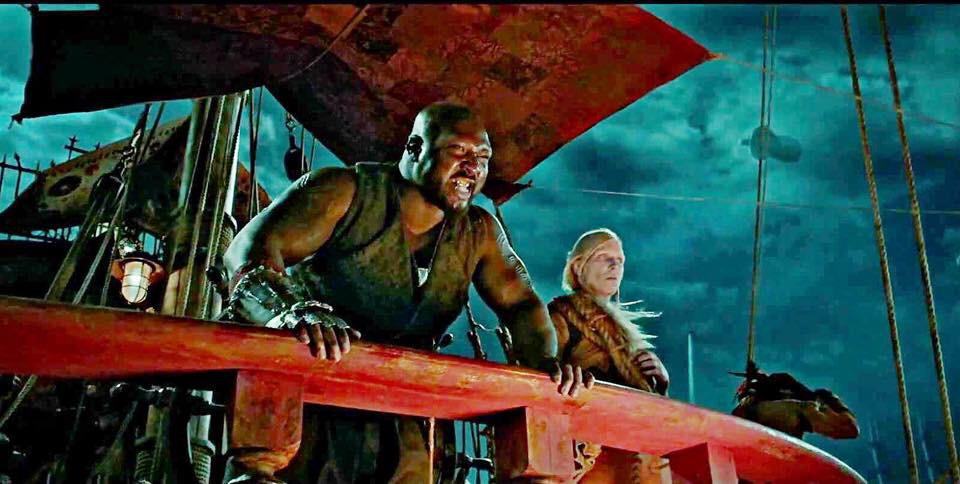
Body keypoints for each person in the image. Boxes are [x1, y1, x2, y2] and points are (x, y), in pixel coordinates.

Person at [222, 102, 590, 483]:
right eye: (458, 151)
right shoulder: (345, 191)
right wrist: (291, 311)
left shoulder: (478, 232)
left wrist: (545, 361)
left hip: (405, 421)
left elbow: (521, 305)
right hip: (310, 404)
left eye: (482, 157)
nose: (472, 168)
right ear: (414, 148)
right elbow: (244, 255)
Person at [547, 228, 667, 483]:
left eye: (620, 260)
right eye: (604, 257)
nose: (615, 266)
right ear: (578, 266)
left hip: (633, 449)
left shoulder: (624, 336)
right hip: (589, 454)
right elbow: (541, 374)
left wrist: (660, 382)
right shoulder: (560, 316)